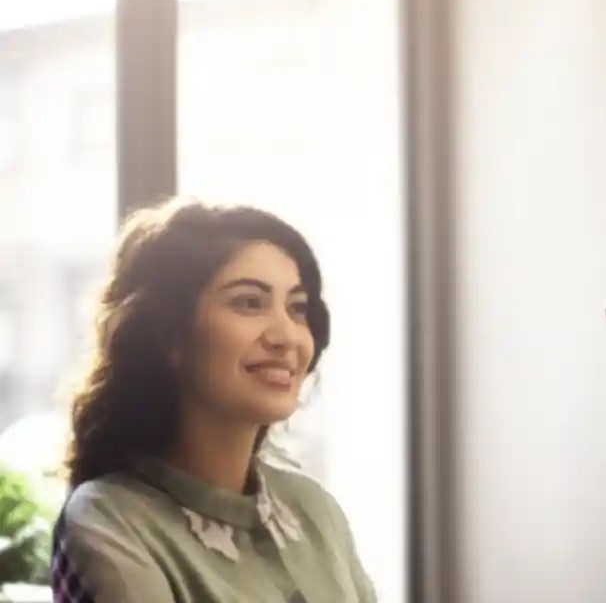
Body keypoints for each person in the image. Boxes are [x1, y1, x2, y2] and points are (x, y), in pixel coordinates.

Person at [50, 199, 377, 602]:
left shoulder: (316, 512)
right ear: (168, 335)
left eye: (297, 309)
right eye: (248, 302)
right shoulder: (108, 521)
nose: (286, 336)